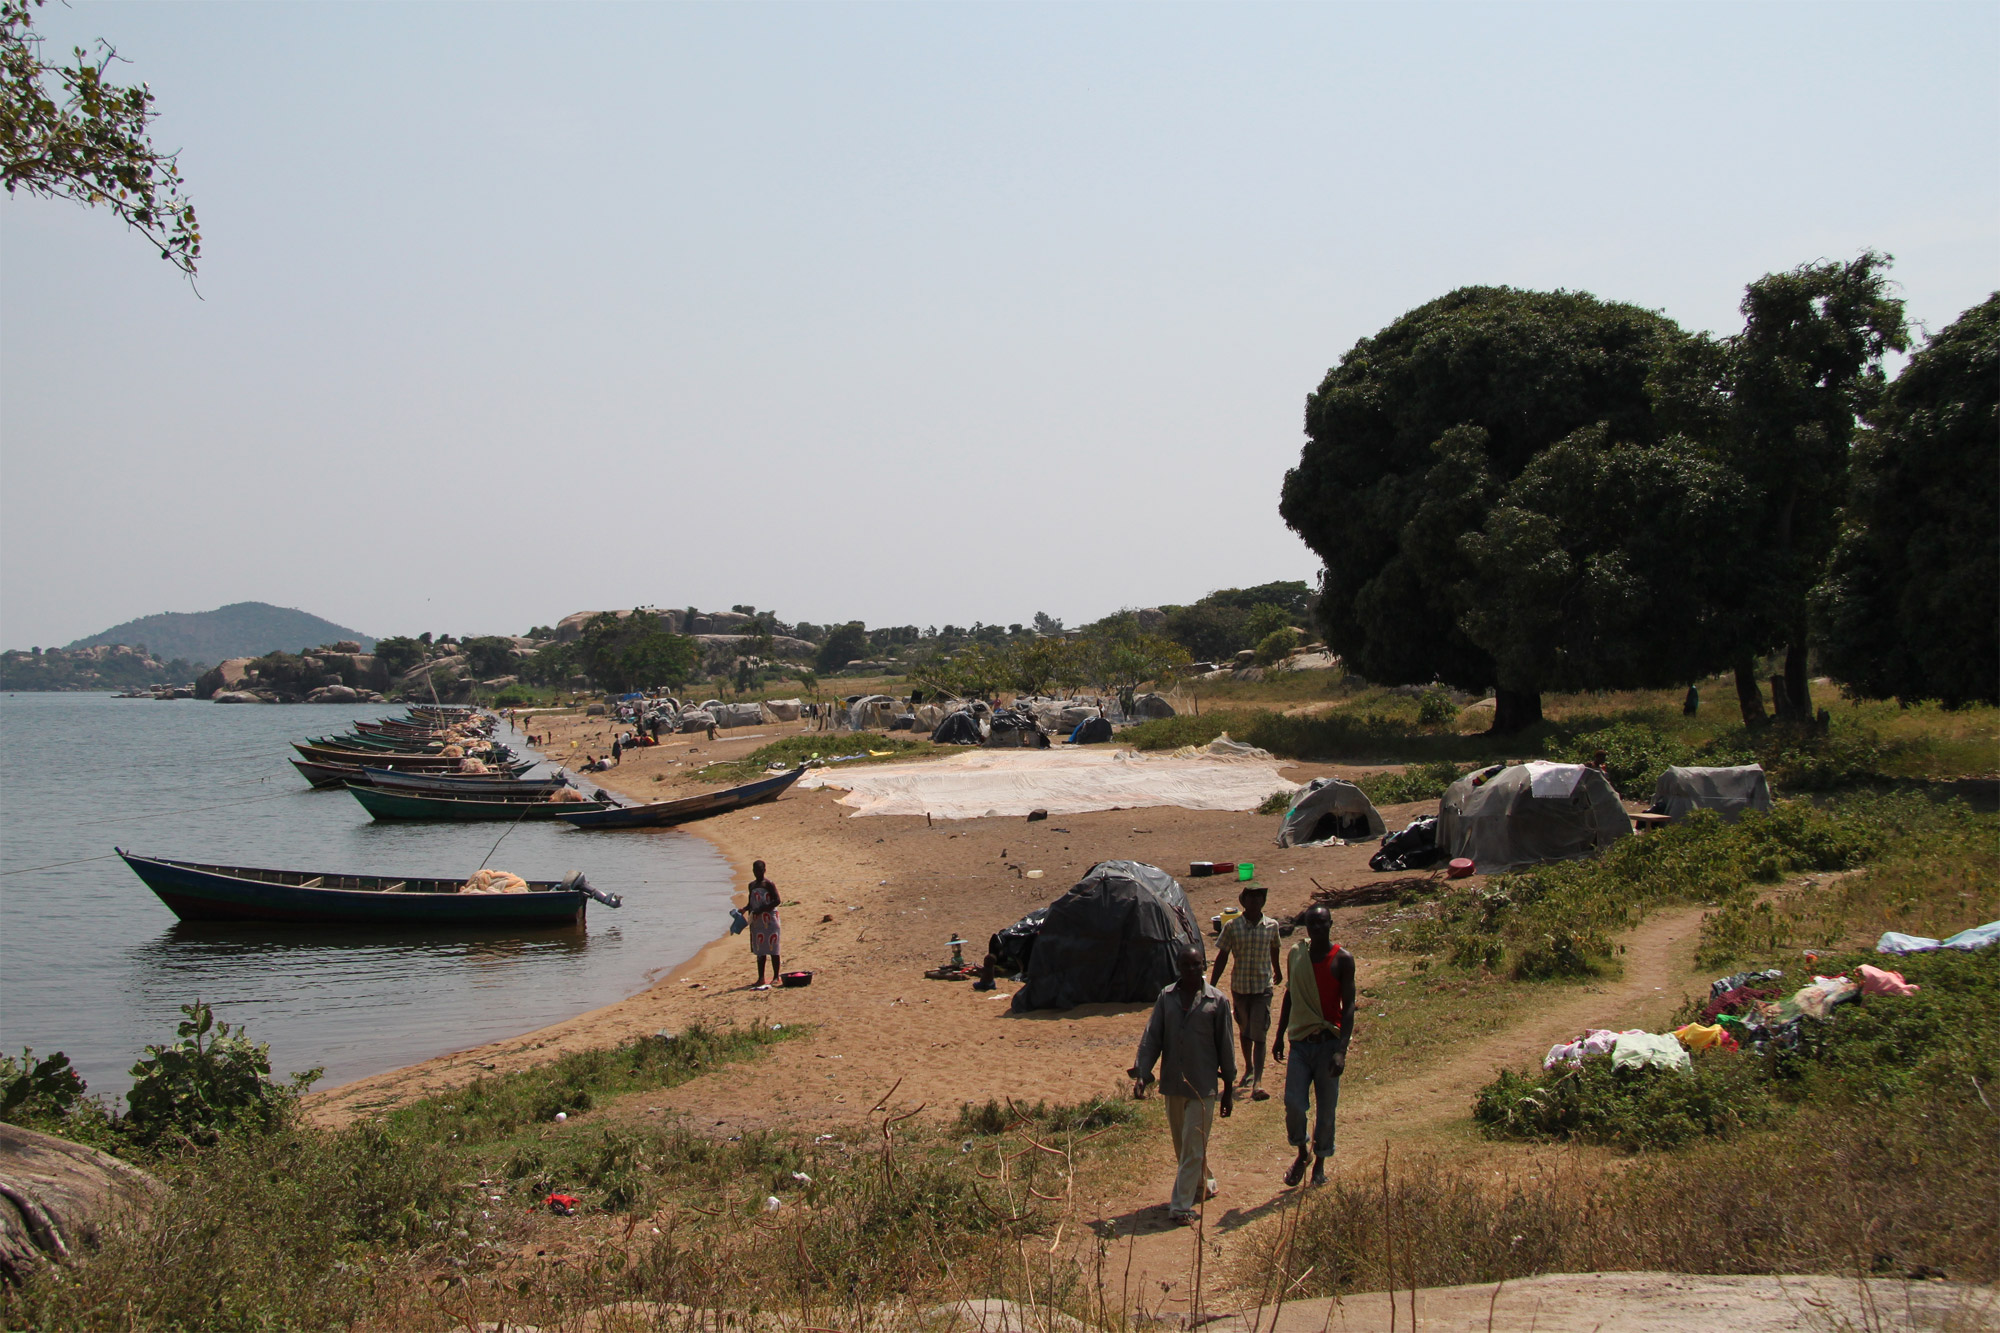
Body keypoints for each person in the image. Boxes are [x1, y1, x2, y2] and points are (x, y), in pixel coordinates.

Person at [1129, 944, 1236, 1225]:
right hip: (1173, 1085)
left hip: (1204, 1088)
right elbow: (1153, 1036)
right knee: (1183, 1147)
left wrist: (1229, 1090)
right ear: (1178, 967)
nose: (1191, 970)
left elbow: (1226, 1047)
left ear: (1204, 966)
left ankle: (1180, 1206)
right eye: (1186, 965)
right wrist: (1143, 1073)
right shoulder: (1167, 998)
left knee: (1192, 1146)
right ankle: (1203, 1183)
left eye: (1196, 965)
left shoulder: (1217, 1002)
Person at [1271, 906, 1355, 1187]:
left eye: (1322, 923)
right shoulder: (1297, 955)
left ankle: (1319, 1163)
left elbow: (1350, 1006)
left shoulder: (1342, 959)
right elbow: (1290, 995)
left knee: (1326, 1109)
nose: (1317, 928)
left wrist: (1342, 1050)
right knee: (1294, 1104)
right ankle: (1302, 1152)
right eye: (1312, 923)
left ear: (1331, 923)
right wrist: (1280, 1034)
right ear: (1305, 926)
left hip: (1328, 1042)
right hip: (1300, 1043)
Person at [1211, 885, 1282, 1101]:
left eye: (1258, 898)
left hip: (1262, 987)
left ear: (1263, 901)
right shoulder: (1232, 927)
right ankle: (1249, 1068)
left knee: (1260, 1033)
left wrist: (1277, 970)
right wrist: (1212, 984)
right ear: (1244, 901)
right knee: (1244, 1030)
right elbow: (1222, 955)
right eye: (1250, 898)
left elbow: (1275, 948)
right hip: (1240, 987)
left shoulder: (1271, 926)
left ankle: (1258, 1082)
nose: (1254, 902)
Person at [746, 860, 782, 986]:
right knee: (760, 951)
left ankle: (776, 976)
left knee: (773, 948)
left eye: (760, 871)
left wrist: (762, 909)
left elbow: (777, 900)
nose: (757, 874)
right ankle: (761, 978)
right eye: (755, 871)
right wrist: (744, 910)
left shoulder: (769, 884)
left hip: (770, 920)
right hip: (757, 922)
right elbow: (750, 903)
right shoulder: (752, 885)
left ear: (764, 871)